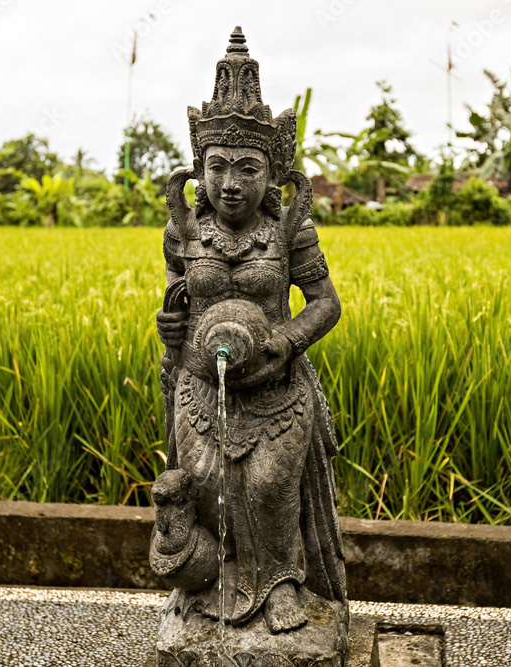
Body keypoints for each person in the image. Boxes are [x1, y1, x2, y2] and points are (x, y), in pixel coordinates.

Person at [153, 27, 347, 635]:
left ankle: (281, 583)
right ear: (197, 171)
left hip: (274, 389)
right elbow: (175, 305)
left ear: (274, 176)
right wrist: (170, 328)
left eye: (246, 168)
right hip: (201, 388)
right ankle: (207, 579)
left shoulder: (288, 231)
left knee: (266, 485)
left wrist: (286, 341)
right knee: (207, 486)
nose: (230, 182)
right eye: (216, 168)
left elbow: (325, 303)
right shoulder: (185, 232)